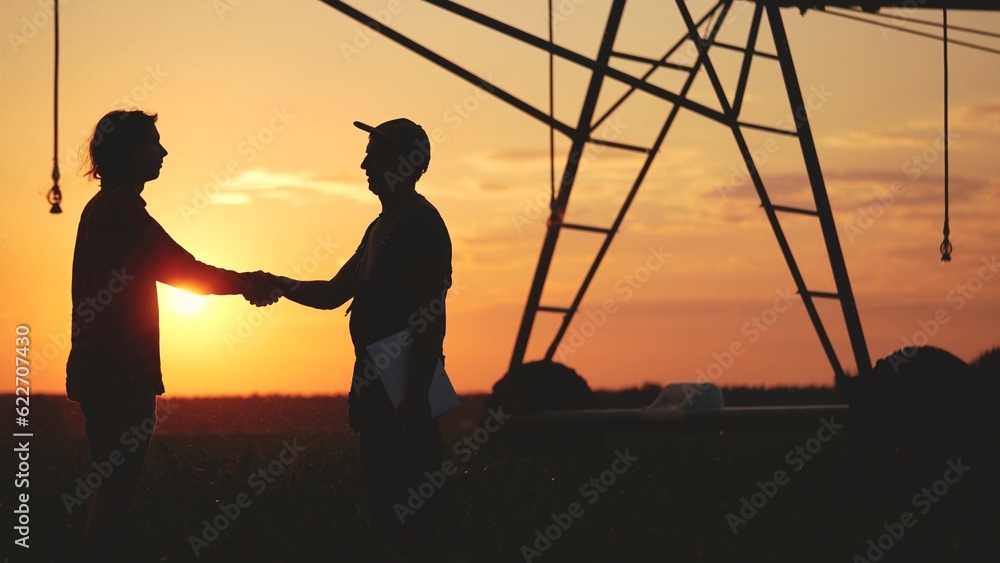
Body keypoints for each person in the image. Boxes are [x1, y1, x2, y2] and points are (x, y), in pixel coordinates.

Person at [66, 110, 278, 561]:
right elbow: (182, 269)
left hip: (104, 371)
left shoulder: (105, 209)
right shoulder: (120, 211)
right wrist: (249, 282)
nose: (163, 151)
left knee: (111, 484)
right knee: (116, 487)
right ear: (129, 152)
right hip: (119, 372)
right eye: (153, 143)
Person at [276, 118, 453, 557]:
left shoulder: (418, 223)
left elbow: (432, 315)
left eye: (375, 153)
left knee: (412, 515)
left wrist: (412, 396)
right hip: (380, 387)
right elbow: (335, 293)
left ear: (406, 162)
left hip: (402, 392)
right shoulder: (383, 226)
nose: (363, 163)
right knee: (385, 509)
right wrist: (276, 284)